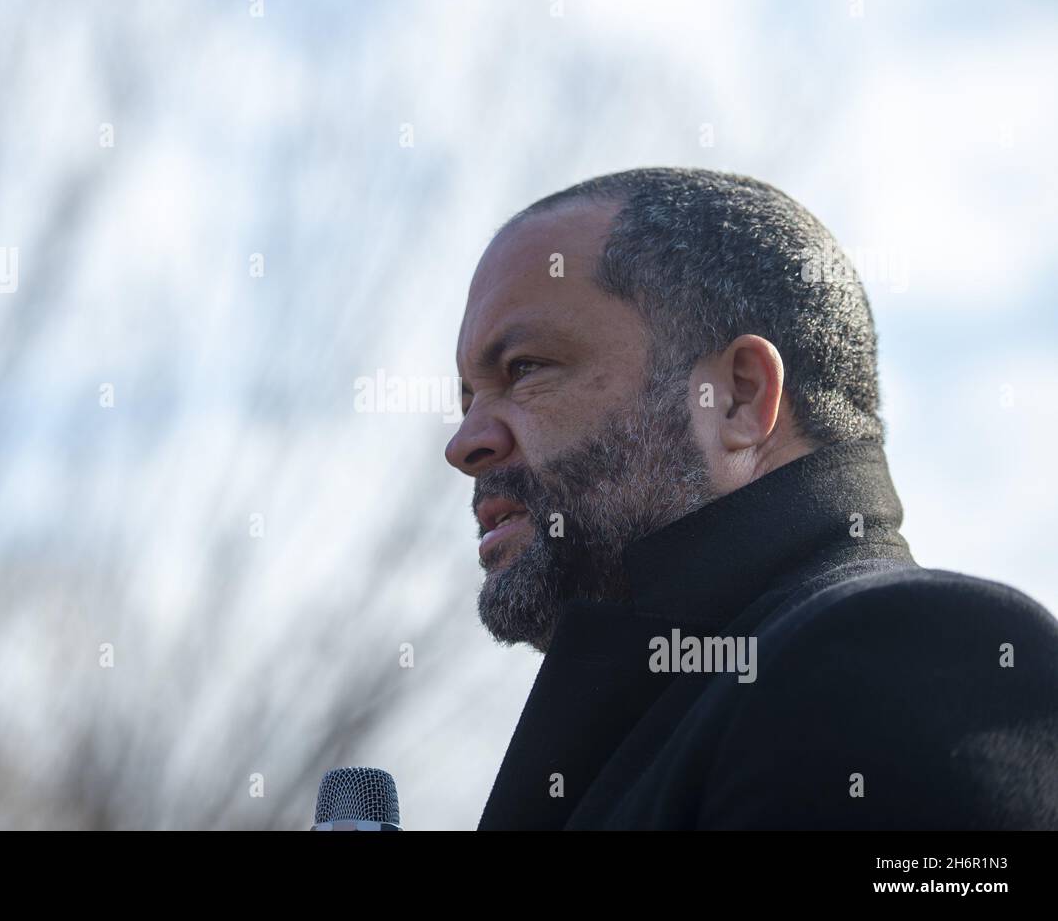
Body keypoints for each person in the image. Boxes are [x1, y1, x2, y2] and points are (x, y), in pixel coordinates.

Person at [446, 168, 1058, 829]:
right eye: (465, 398)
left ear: (738, 396)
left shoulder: (897, 655)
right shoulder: (661, 719)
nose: (464, 442)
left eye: (523, 369)